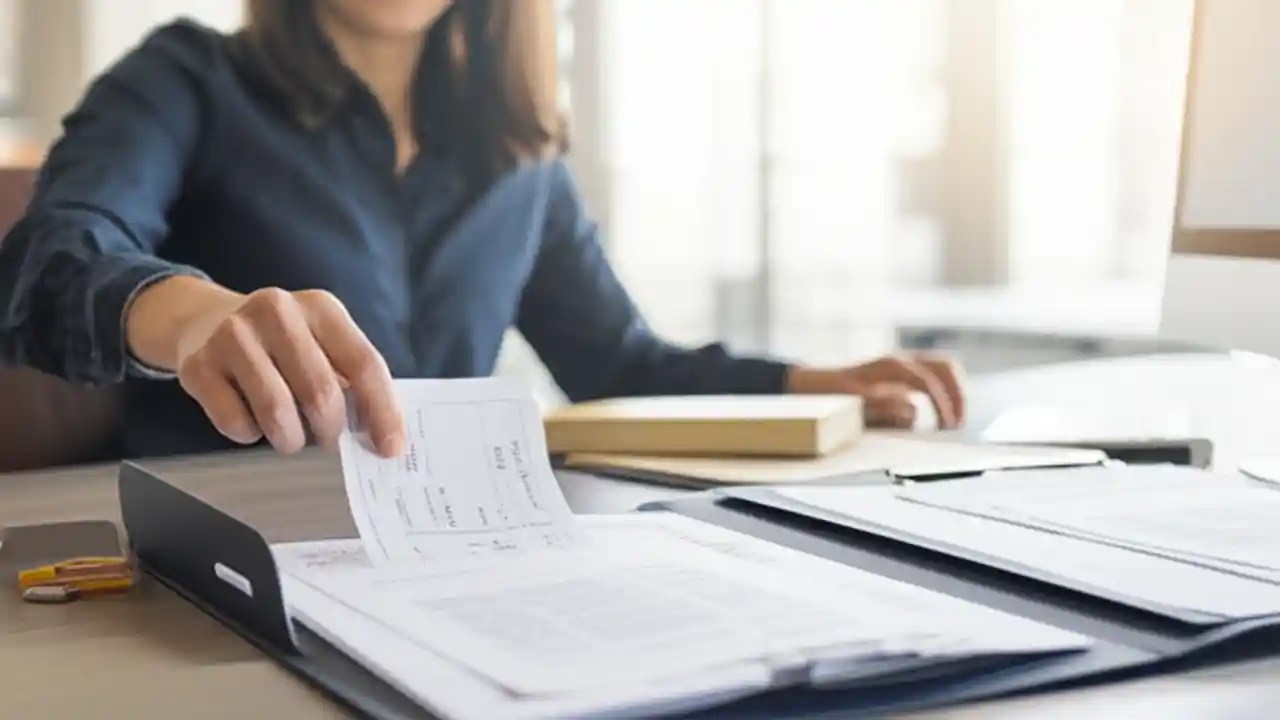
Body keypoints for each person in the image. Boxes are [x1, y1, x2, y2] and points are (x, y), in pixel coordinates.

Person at [0, 0, 965, 460]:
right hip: (219, 560)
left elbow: (617, 365)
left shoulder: (518, 156)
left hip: (449, 553)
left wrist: (811, 383)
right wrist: (192, 315)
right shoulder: (188, 79)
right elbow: (49, 261)